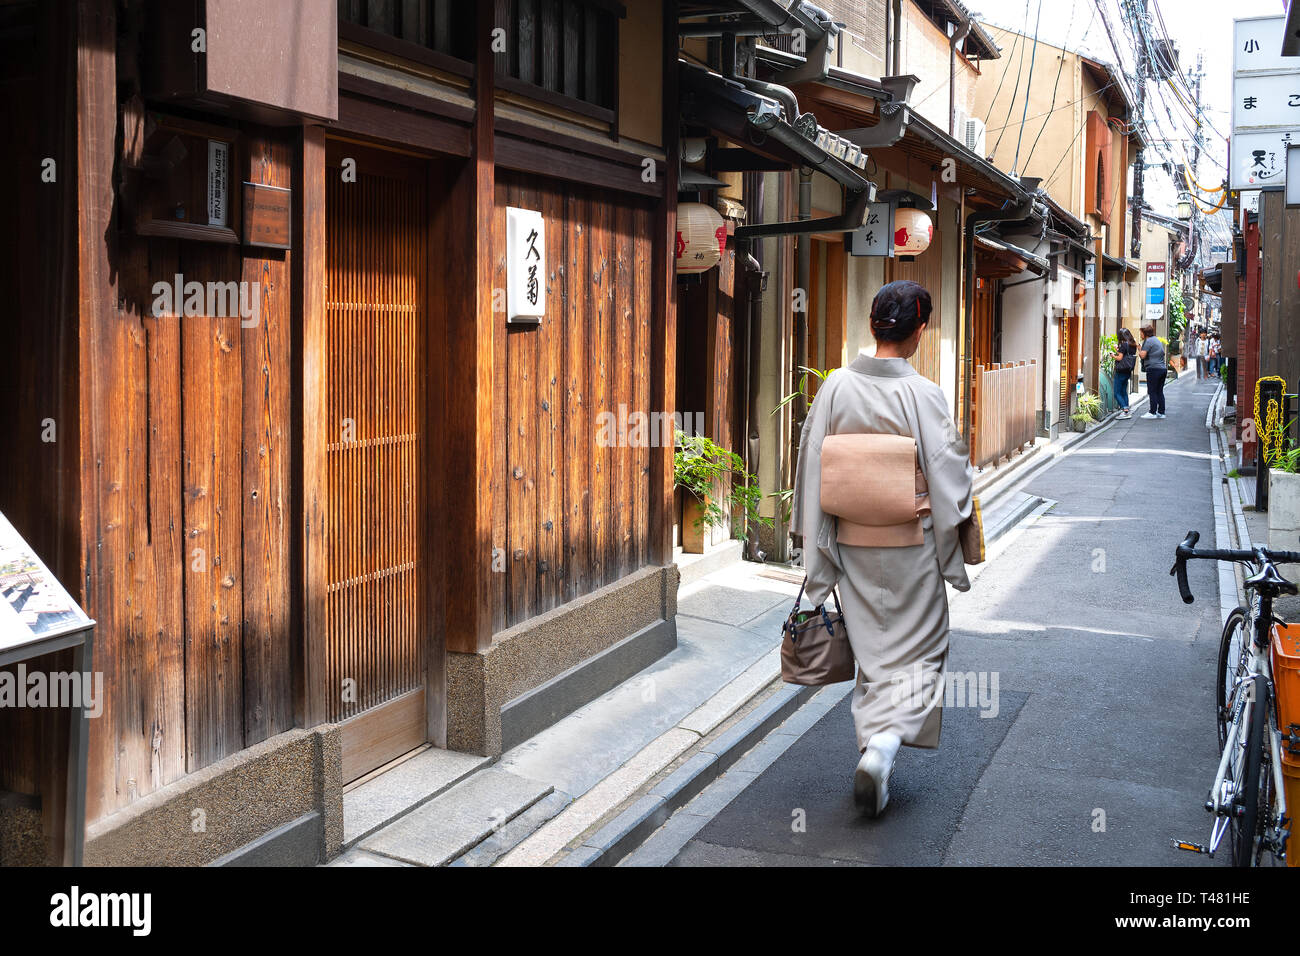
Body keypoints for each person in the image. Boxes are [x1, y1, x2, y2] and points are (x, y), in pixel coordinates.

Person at [790, 280, 975, 818]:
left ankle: (874, 746)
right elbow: (948, 472)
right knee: (923, 650)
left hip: (852, 544)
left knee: (873, 653)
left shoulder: (835, 387)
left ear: (875, 325)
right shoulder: (922, 393)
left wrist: (818, 551)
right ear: (918, 330)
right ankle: (884, 748)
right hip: (912, 548)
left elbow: (811, 465)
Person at [1139, 323, 1167, 419]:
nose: (1140, 335)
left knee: (1152, 391)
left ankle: (1152, 412)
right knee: (1159, 391)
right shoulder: (1156, 340)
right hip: (1162, 368)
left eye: (1141, 333)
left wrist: (1139, 350)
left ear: (1145, 333)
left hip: (1153, 369)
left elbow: (1142, 355)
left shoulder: (1148, 341)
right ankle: (1161, 412)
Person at [1112, 328, 1137, 419]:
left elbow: (1120, 358)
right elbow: (1125, 355)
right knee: (1123, 391)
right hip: (1128, 370)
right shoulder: (1132, 344)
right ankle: (1127, 409)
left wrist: (1113, 355)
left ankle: (1125, 410)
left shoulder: (1123, 344)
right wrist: (1117, 350)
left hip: (1121, 371)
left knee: (1117, 392)